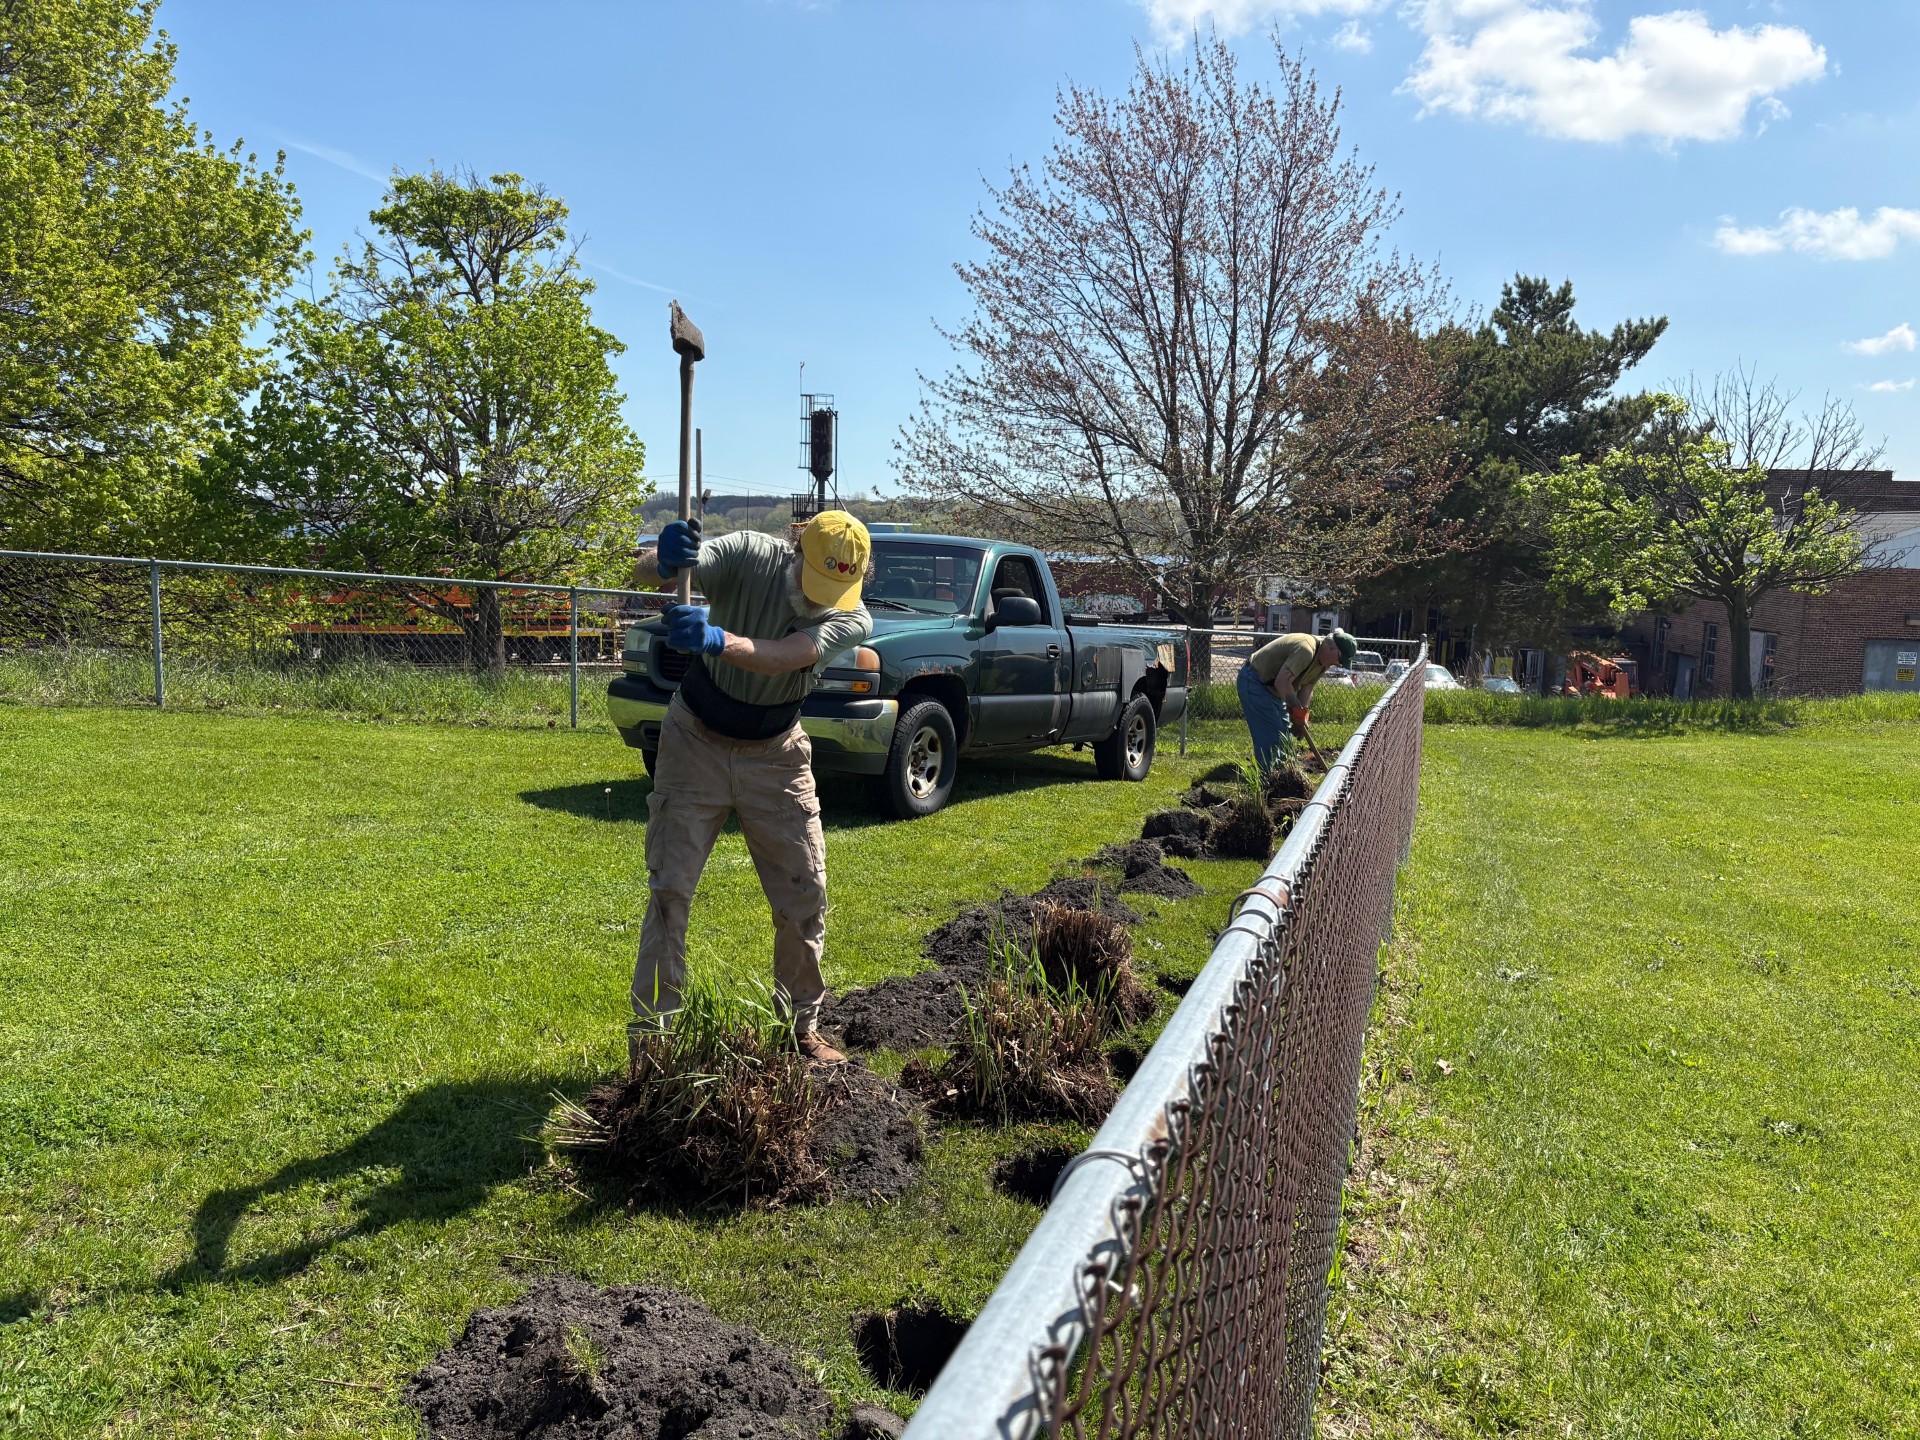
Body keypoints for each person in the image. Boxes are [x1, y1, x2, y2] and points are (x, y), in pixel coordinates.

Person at [630, 511, 874, 1066]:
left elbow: (786, 658)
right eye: (816, 584)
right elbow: (650, 574)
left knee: (805, 891)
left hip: (777, 754)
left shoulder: (851, 616)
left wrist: (718, 639)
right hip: (695, 741)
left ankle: (800, 1030)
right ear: (794, 553)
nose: (821, 600)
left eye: (835, 590)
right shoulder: (745, 552)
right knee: (670, 891)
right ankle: (653, 1045)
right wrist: (667, 561)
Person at [1237, 628, 1356, 771]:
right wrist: (1295, 709)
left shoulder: (1323, 662)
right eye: (1340, 659)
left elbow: (1308, 686)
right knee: (1272, 736)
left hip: (1274, 690)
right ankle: (1265, 778)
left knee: (1285, 736)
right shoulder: (1306, 650)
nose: (1339, 664)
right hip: (1255, 680)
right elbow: (1282, 682)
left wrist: (1302, 713)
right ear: (1331, 648)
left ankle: (1283, 774)